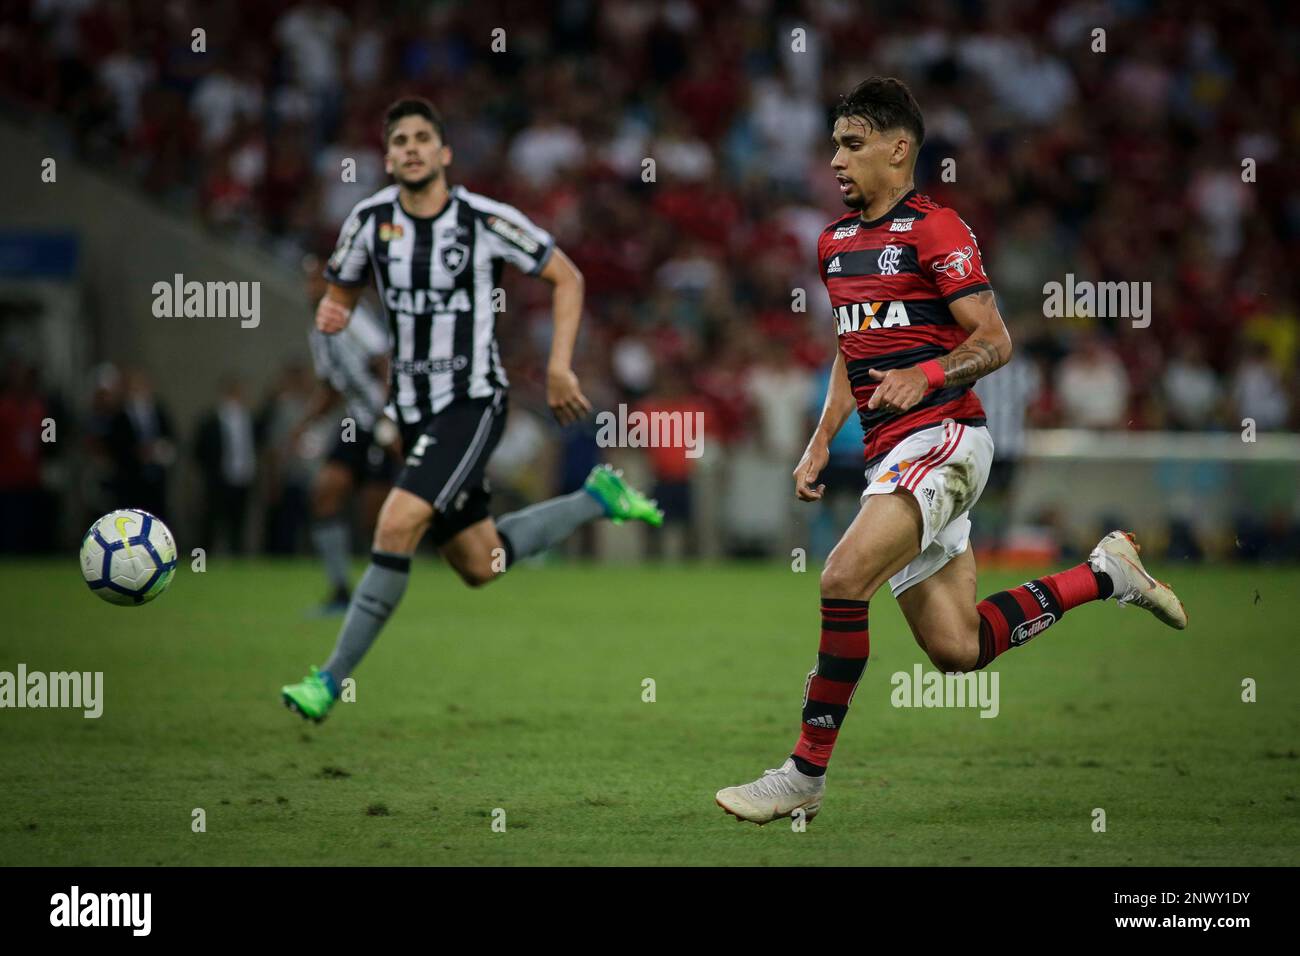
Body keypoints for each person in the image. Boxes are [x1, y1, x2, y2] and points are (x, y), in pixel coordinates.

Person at [715, 77, 1187, 825]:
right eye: (834, 143)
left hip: (946, 440)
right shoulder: (834, 244)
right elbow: (852, 350)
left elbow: (994, 340)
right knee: (957, 649)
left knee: (840, 579)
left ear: (898, 149)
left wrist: (925, 372)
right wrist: (816, 444)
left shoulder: (935, 229)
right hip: (889, 455)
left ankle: (803, 773)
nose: (835, 159)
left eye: (853, 143)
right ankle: (1106, 574)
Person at [281, 98, 662, 722]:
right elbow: (340, 284)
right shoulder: (369, 220)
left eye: (422, 137)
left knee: (395, 523)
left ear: (444, 152)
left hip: (472, 401)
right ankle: (596, 500)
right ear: (387, 155)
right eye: (399, 138)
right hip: (409, 412)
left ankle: (328, 680)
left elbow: (567, 277)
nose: (410, 147)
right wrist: (336, 310)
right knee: (479, 563)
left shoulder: (485, 219)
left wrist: (561, 365)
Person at [290, 253, 397, 614]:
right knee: (325, 493)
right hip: (355, 424)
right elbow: (332, 388)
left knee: (373, 517)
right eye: (308, 281)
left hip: (380, 424)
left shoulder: (349, 315)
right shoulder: (318, 331)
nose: (311, 289)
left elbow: (384, 361)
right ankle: (340, 592)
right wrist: (304, 424)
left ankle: (379, 594)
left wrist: (390, 417)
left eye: (318, 280)